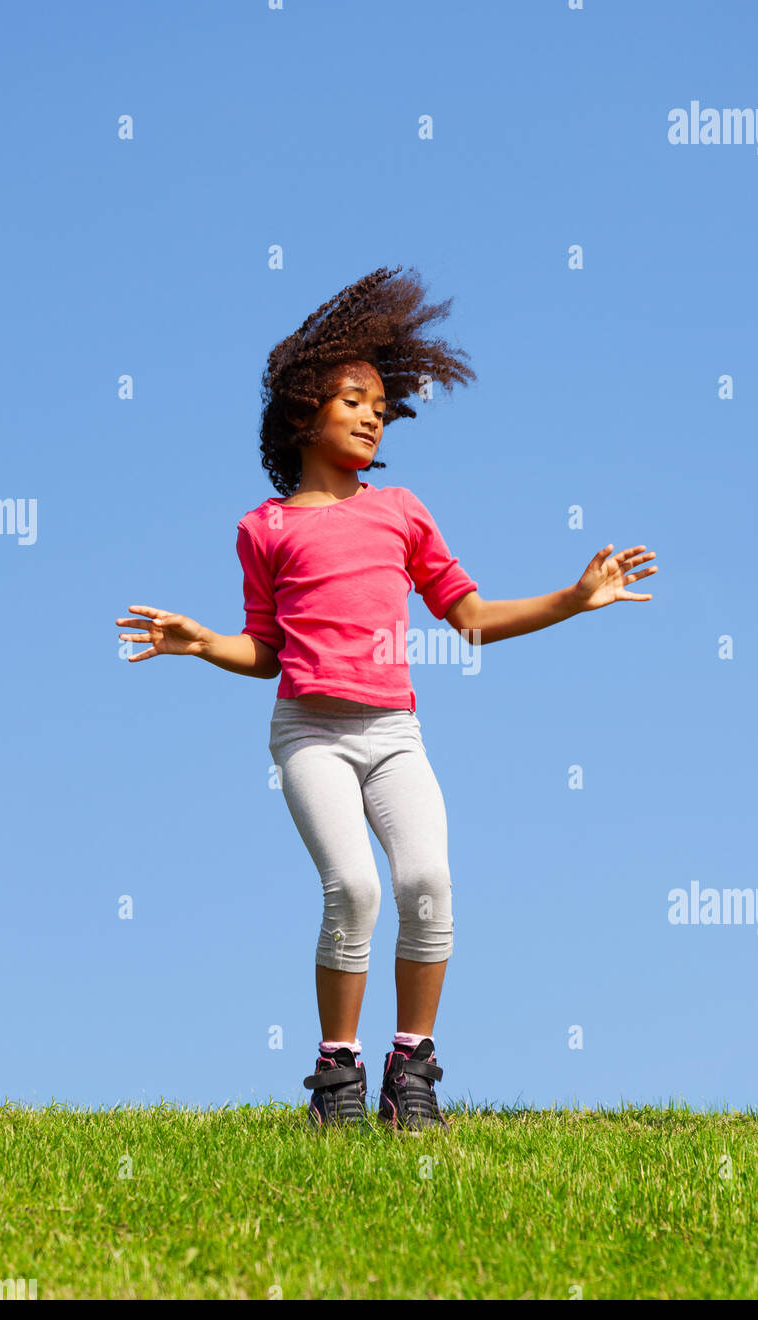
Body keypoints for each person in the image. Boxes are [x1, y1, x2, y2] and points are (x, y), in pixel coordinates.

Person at [115, 264, 657, 1132]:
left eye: (381, 405)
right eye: (354, 400)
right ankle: (337, 1078)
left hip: (394, 732)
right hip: (310, 735)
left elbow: (470, 617)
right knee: (355, 892)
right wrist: (202, 642)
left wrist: (571, 597)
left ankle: (413, 1068)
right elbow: (268, 650)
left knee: (429, 882)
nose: (373, 415)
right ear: (304, 412)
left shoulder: (401, 511)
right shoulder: (266, 528)